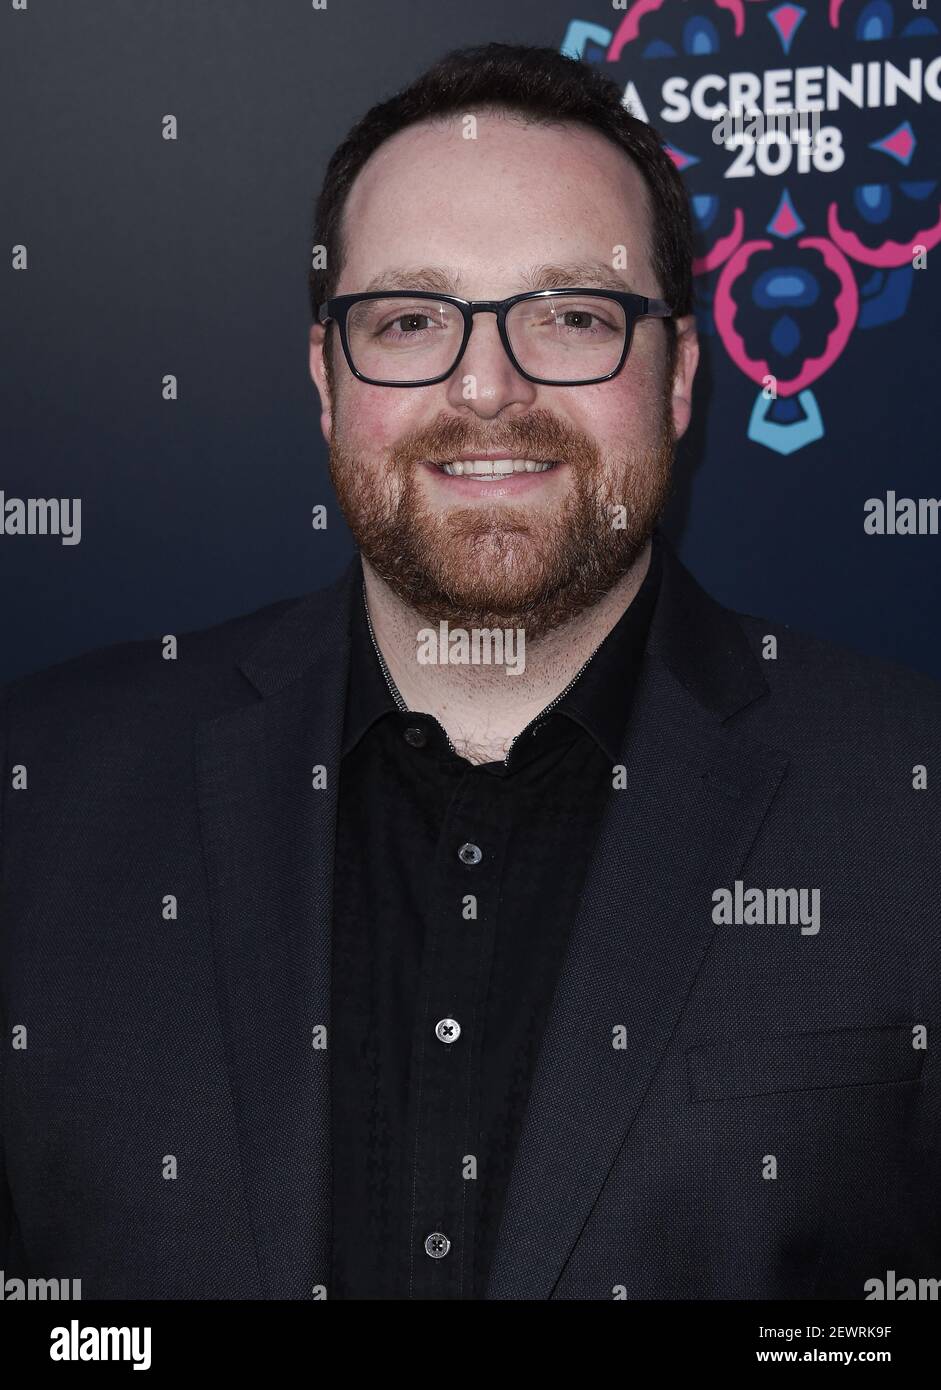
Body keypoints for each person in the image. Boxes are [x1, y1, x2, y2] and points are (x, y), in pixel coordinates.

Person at [2, 42, 939, 1301]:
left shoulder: (908, 808)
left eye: (570, 316)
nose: (486, 388)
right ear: (325, 383)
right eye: (409, 320)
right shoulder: (41, 796)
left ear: (677, 380)